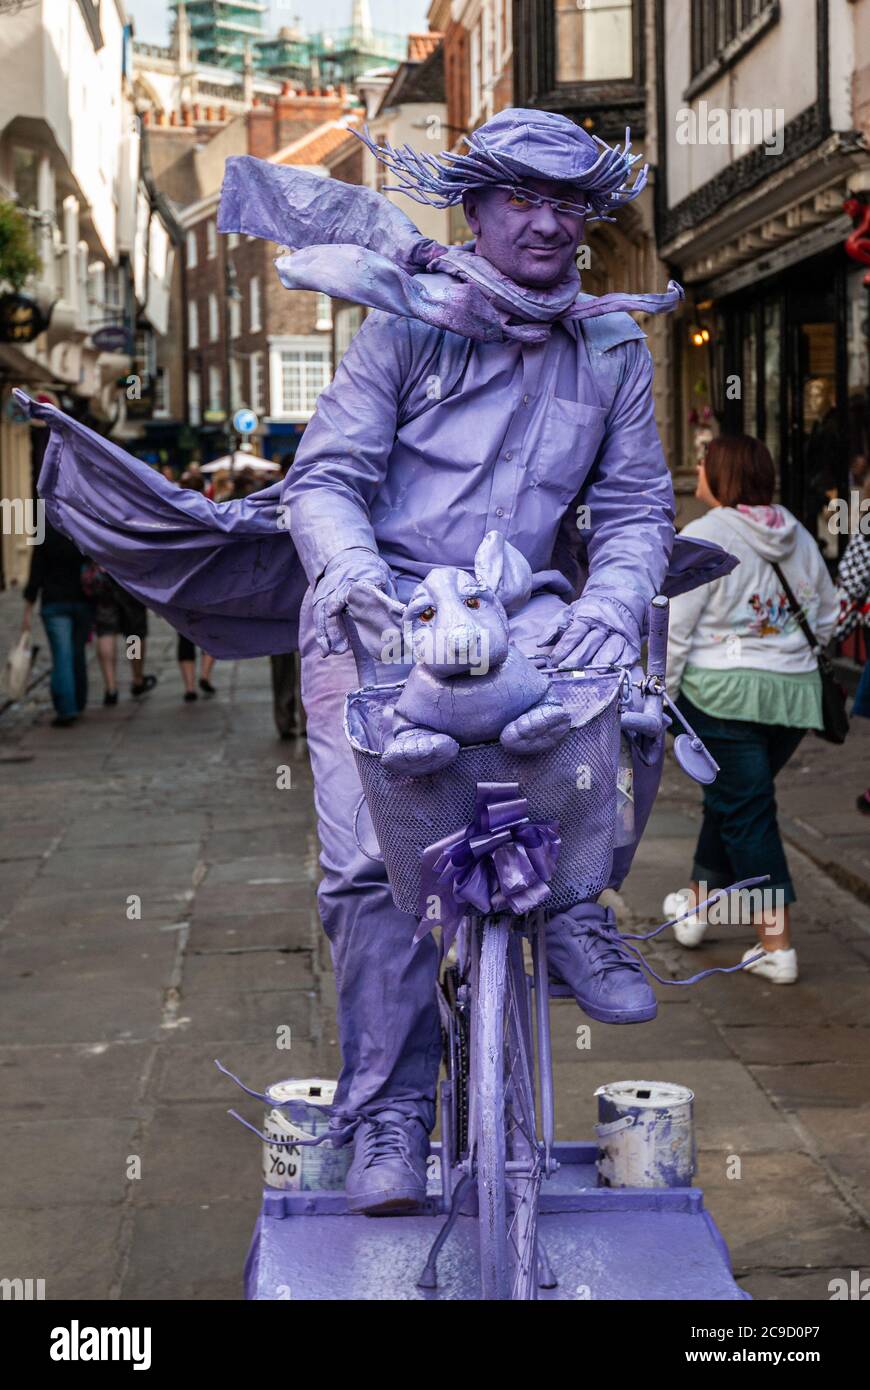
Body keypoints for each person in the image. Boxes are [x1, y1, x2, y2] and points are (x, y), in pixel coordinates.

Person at [16, 108, 735, 1217]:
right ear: (477, 209)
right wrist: (353, 583)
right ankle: (388, 1110)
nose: (546, 224)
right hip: (383, 614)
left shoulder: (613, 348)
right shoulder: (404, 329)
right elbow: (327, 481)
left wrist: (612, 591)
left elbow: (638, 506)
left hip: (530, 609)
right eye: (520, 200)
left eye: (567, 205)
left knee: (628, 688)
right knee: (371, 868)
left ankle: (581, 899)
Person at [664, 435, 838, 984]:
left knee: (747, 811)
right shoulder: (796, 531)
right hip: (792, 697)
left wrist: (660, 696)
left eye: (704, 463)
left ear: (723, 474)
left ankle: (775, 945)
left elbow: (673, 632)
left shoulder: (704, 535)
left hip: (721, 696)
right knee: (736, 800)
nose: (697, 468)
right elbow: (829, 615)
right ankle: (696, 911)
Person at [21, 519, 93, 727]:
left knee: (62, 656)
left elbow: (37, 568)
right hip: (82, 601)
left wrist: (28, 607)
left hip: (54, 602)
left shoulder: (43, 529)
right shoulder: (80, 525)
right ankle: (79, 702)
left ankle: (66, 709)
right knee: (77, 653)